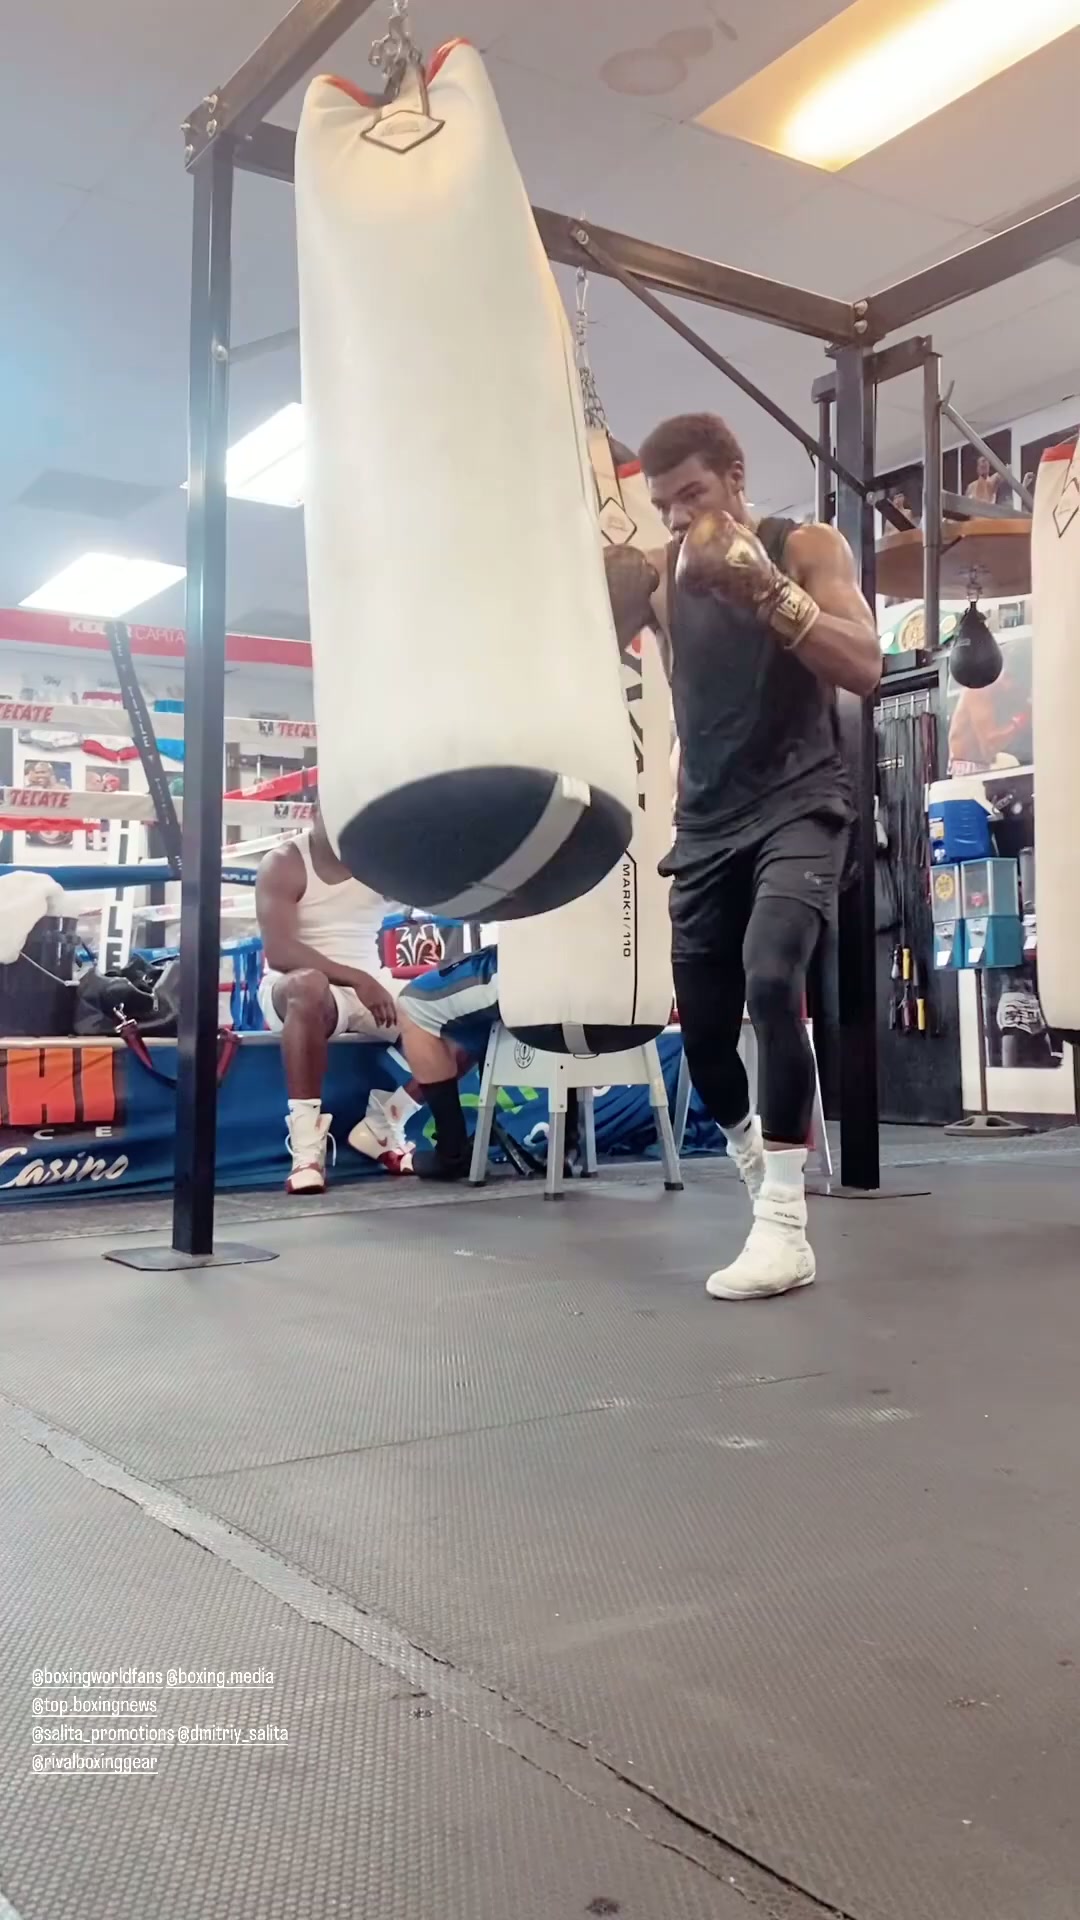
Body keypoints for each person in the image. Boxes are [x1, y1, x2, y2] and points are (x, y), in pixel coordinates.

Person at [606, 412, 881, 1300]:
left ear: (733, 474)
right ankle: (752, 1161)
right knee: (709, 1032)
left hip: (802, 799)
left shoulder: (804, 545)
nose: (680, 517)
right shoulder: (661, 579)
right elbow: (589, 651)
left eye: (692, 494)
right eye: (664, 505)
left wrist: (771, 594)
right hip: (708, 821)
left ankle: (786, 1227)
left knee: (773, 978)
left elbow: (866, 664)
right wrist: (598, 589)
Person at [255, 805, 416, 1192]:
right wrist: (358, 979)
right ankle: (307, 1150)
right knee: (308, 985)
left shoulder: (380, 861)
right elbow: (279, 952)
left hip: (368, 987)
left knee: (452, 1013)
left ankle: (383, 1123)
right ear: (314, 812)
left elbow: (442, 892)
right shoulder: (285, 862)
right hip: (295, 989)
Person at [395, 949, 501, 1180]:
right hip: (593, 984)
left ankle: (451, 1151)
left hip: (533, 973)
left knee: (412, 1002)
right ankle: (568, 1143)